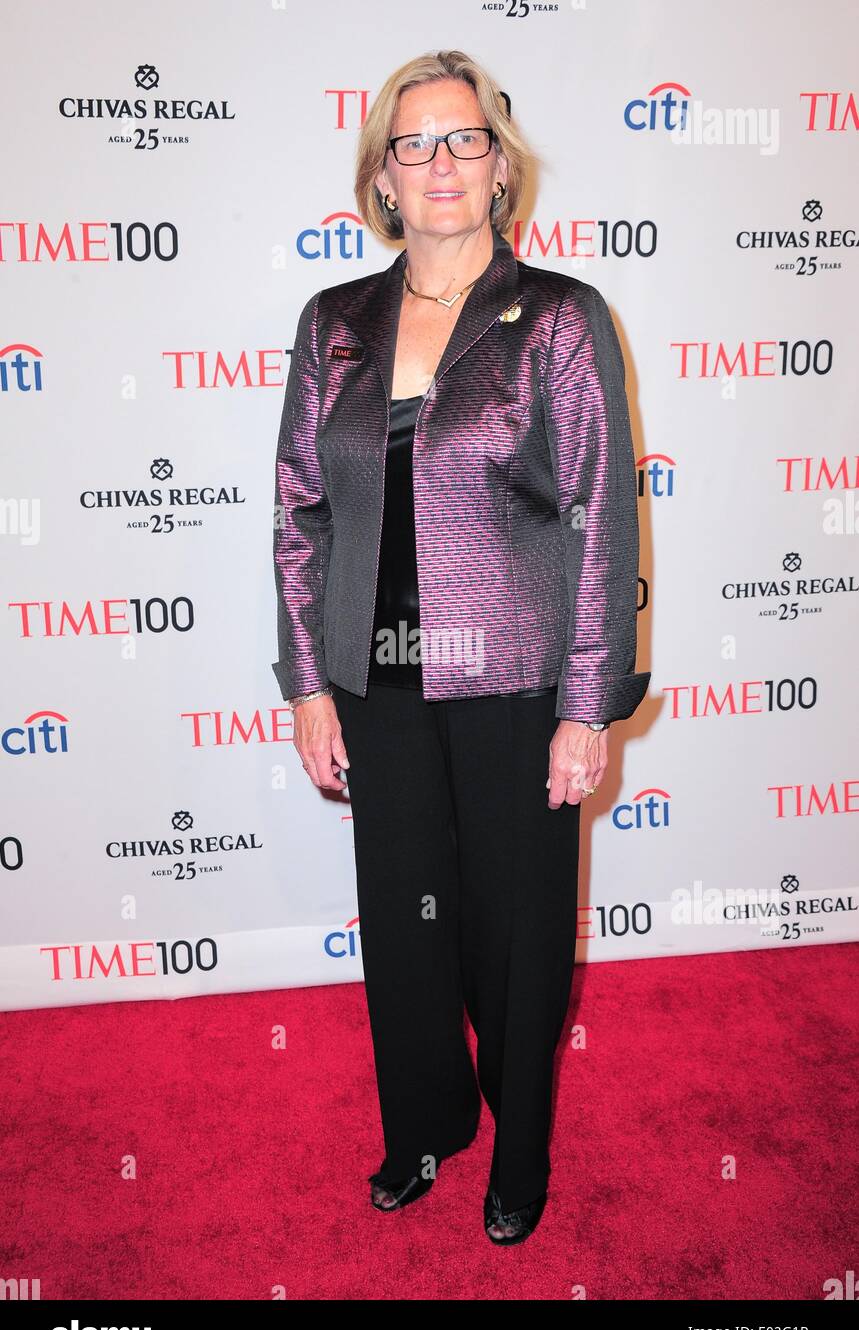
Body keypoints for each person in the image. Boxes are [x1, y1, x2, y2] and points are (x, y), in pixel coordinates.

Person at [271, 49, 650, 1245]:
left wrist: (586, 705)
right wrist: (306, 685)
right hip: (375, 679)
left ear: (499, 166)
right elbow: (299, 513)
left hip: (515, 682)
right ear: (380, 176)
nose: (438, 162)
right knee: (405, 924)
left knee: (516, 935)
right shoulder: (334, 324)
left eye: (463, 138)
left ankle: (520, 1148)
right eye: (412, 143)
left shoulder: (559, 319)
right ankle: (424, 1124)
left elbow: (599, 515)